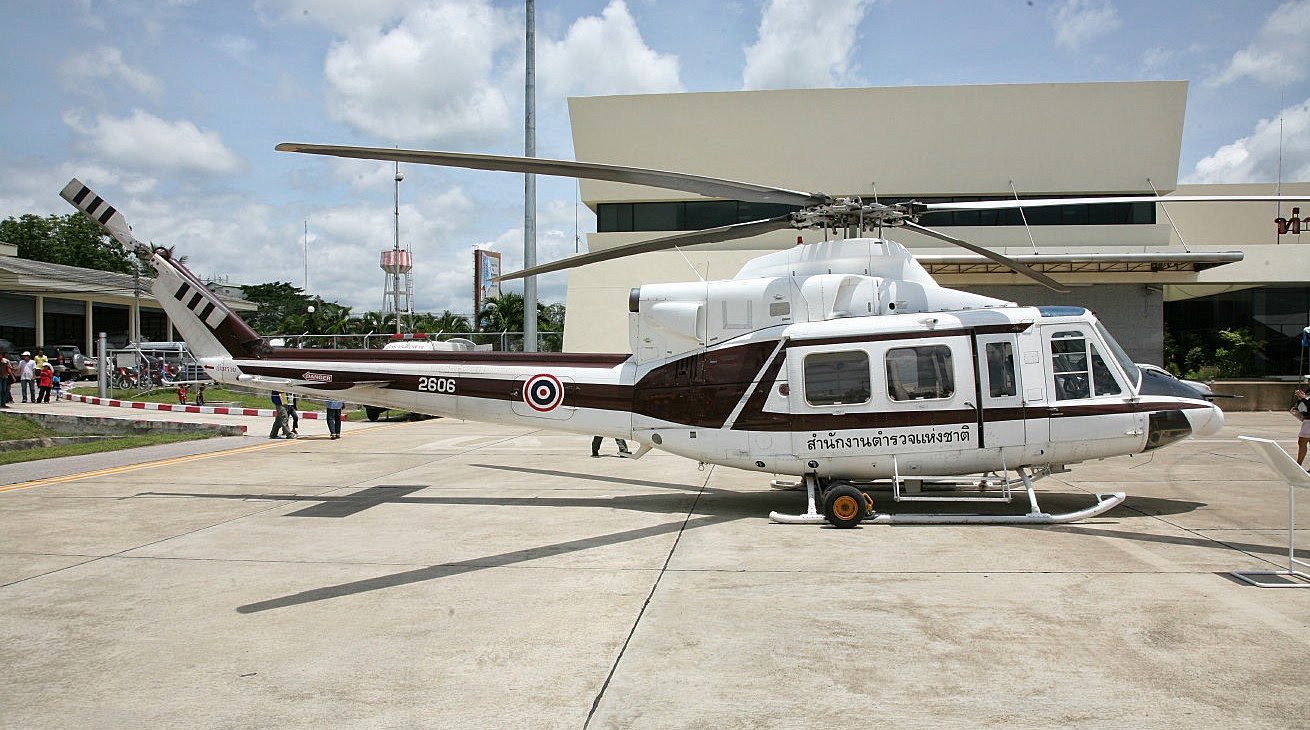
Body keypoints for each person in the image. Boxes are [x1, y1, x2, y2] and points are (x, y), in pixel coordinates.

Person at [1291, 389, 1310, 469]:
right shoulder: (1308, 391)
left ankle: (1298, 466)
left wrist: (1303, 398)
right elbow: (1302, 406)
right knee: (1302, 442)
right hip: (1306, 420)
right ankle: (1298, 466)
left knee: (1302, 442)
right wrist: (1299, 399)